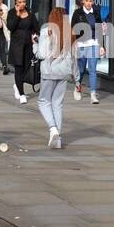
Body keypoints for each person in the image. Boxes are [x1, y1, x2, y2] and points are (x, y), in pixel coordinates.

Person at [36, 8, 77, 149]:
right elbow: (74, 57)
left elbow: (41, 54)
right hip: (64, 72)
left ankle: (52, 128)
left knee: (43, 101)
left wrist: (35, 44)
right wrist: (77, 79)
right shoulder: (70, 32)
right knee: (57, 104)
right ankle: (58, 140)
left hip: (49, 71)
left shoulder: (47, 31)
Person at [71, 0, 105, 104]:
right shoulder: (77, 13)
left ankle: (93, 95)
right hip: (81, 44)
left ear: (93, 2)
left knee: (92, 70)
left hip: (94, 44)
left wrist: (101, 46)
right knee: (80, 70)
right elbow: (73, 30)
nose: (89, 3)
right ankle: (77, 87)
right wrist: (74, 43)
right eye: (86, 1)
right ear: (83, 1)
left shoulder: (96, 13)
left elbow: (100, 30)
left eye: (90, 1)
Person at [6, 0, 41, 104]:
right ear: (15, 3)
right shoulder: (12, 13)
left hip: (28, 45)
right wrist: (17, 14)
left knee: (26, 68)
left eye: (24, 2)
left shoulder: (30, 13)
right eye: (19, 2)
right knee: (19, 69)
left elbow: (36, 27)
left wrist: (35, 35)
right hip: (17, 46)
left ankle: (17, 85)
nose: (22, 4)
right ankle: (22, 94)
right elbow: (11, 27)